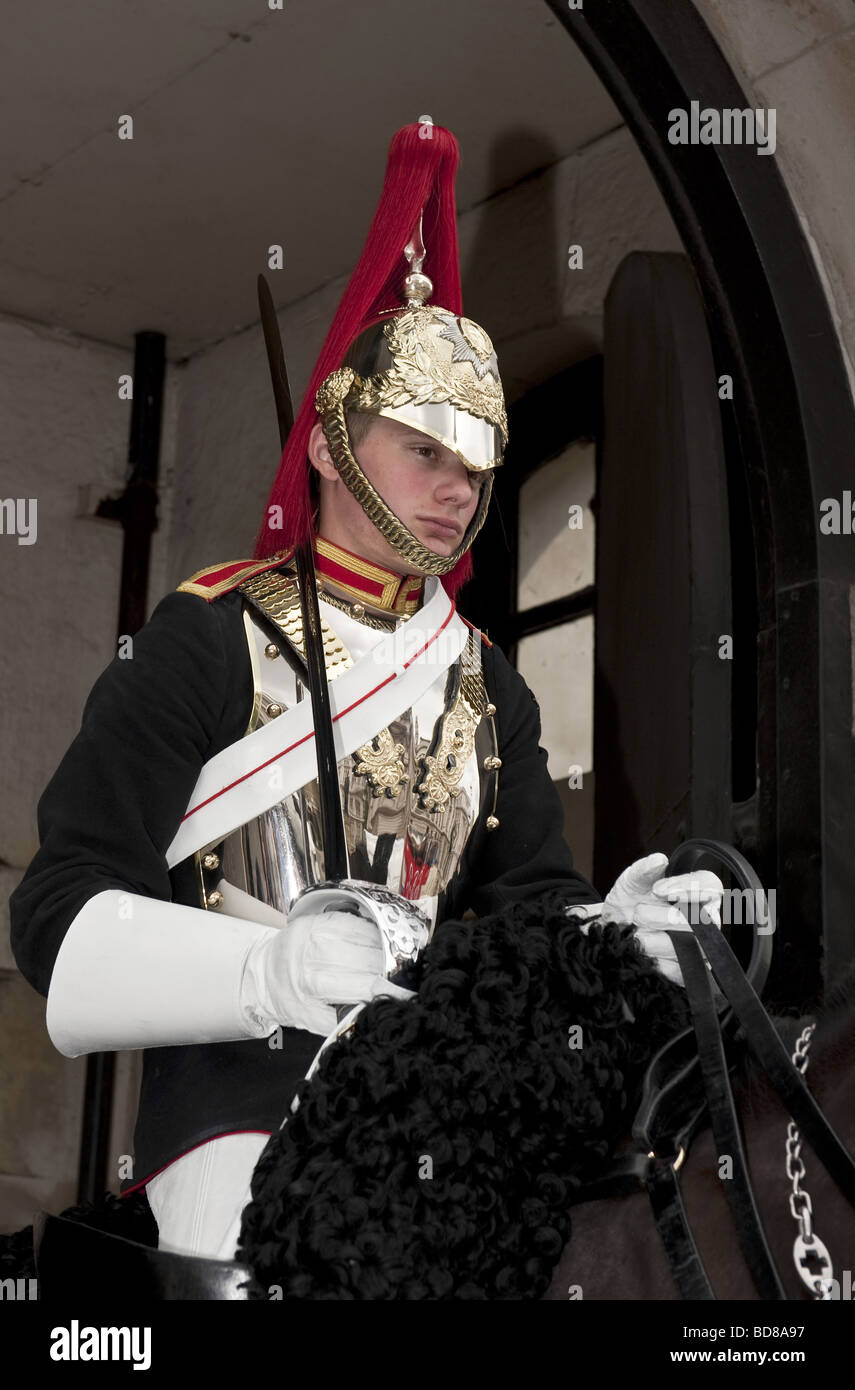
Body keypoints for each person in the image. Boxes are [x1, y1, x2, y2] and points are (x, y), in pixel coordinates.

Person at [9, 121, 721, 1265]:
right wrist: (265, 969)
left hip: (446, 1118)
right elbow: (56, 912)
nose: (456, 489)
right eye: (422, 449)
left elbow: (530, 920)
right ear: (334, 443)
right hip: (243, 1110)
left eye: (477, 461)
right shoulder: (208, 638)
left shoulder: (485, 681)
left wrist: (617, 936)